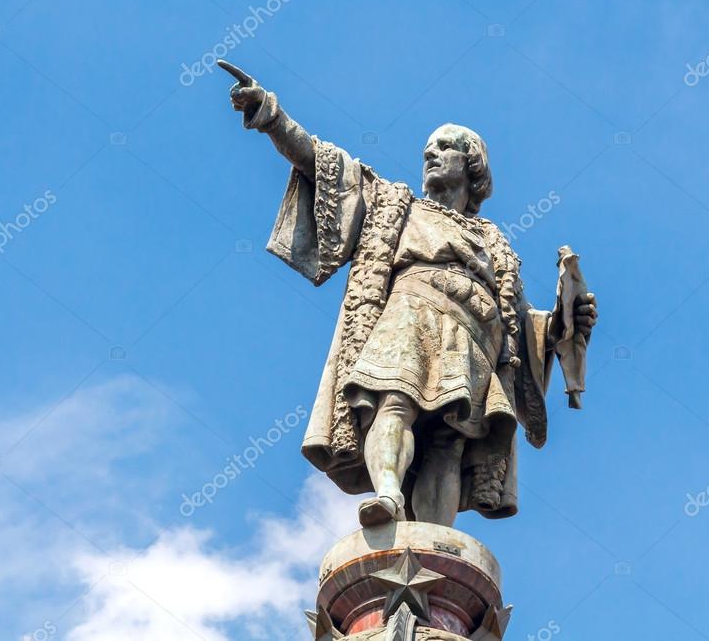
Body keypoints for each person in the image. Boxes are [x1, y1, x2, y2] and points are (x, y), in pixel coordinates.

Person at [222, 61, 598, 528]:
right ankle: (387, 494)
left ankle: (433, 536)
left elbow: (522, 324)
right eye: (427, 150)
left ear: (471, 162)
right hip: (411, 311)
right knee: (394, 399)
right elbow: (325, 164)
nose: (431, 155)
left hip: (476, 337)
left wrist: (564, 322)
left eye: (444, 147)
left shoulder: (495, 244)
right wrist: (271, 116)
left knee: (450, 438)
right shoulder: (394, 203)